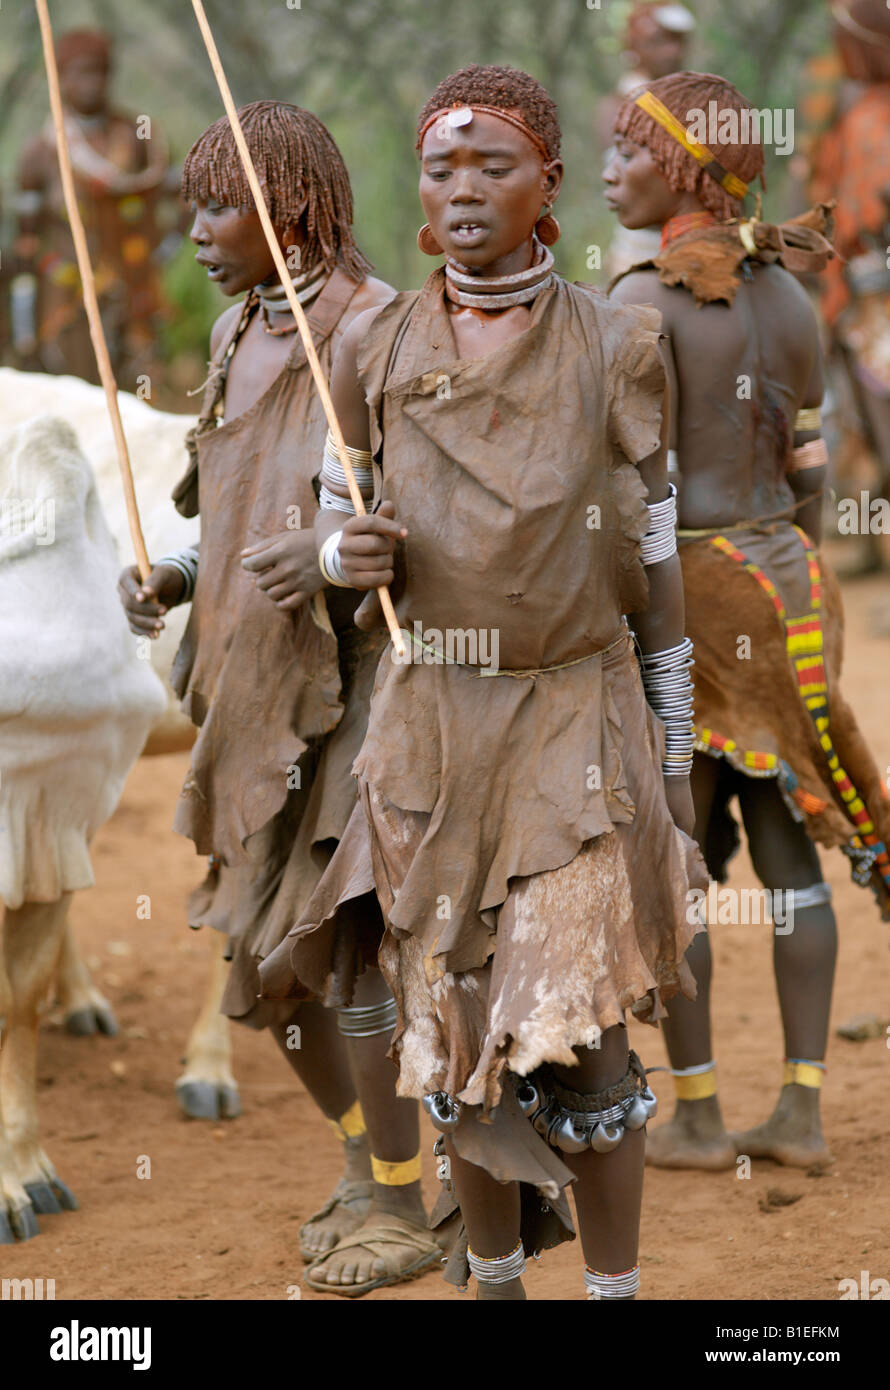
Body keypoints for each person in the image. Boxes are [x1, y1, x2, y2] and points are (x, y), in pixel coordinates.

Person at [260, 64, 707, 1301]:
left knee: (584, 1030)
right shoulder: (368, 340)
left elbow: (656, 573)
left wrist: (671, 769)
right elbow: (340, 528)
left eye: (492, 164)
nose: (462, 189)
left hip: (575, 719)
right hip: (431, 735)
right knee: (454, 1035)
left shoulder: (620, 341)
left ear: (547, 186)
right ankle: (495, 1283)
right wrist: (340, 554)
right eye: (442, 167)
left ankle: (613, 1296)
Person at [117, 101, 440, 1297]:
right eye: (193, 205)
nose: (196, 229)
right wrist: (178, 575)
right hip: (249, 687)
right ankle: (367, 1164)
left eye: (220, 207)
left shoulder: (372, 329)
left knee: (341, 949)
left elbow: (405, 519)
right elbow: (240, 513)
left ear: (290, 211)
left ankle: (406, 1205)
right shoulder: (238, 329)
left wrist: (338, 552)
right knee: (262, 971)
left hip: (357, 685)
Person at [604, 70, 890, 1172]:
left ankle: (695, 1115)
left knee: (680, 856)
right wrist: (789, 557)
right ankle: (802, 1112)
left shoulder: (642, 299)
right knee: (785, 853)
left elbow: (641, 495)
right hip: (790, 580)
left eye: (627, 151)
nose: (606, 170)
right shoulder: (790, 297)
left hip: (697, 594)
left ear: (677, 167)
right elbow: (808, 463)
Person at [13, 27, 178, 386]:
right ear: (60, 78)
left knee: (141, 401)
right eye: (81, 72)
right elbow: (25, 244)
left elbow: (184, 197)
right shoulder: (40, 151)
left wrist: (164, 252)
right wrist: (24, 332)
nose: (92, 82)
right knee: (82, 396)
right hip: (69, 299)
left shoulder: (139, 135)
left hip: (136, 295)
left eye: (100, 71)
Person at [808, 0, 890, 573]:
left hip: (876, 302)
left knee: (879, 422)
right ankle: (871, 548)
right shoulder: (855, 109)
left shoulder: (871, 118)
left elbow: (866, 211)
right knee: (864, 422)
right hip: (865, 301)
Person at [596, 3, 697, 281]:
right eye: (659, 41)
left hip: (700, 254)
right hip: (641, 257)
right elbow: (629, 189)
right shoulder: (618, 106)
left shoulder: (696, 102)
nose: (672, 51)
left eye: (678, 41)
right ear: (634, 45)